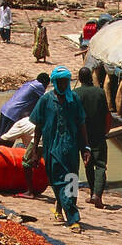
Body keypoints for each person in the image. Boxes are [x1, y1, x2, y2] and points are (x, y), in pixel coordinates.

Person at [27, 65, 90, 231]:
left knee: (71, 180)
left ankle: (73, 219)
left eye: (66, 82)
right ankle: (59, 207)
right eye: (60, 82)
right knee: (56, 181)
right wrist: (34, 150)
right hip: (51, 148)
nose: (63, 86)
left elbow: (82, 123)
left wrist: (86, 147)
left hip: (70, 148)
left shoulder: (74, 99)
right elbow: (38, 126)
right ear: (54, 82)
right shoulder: (46, 100)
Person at [75, 66, 109, 209]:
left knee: (87, 163)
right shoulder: (100, 92)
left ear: (80, 79)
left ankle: (92, 194)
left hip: (83, 136)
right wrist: (106, 131)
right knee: (100, 165)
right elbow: (107, 115)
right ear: (90, 78)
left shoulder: (75, 93)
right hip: (98, 133)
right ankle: (97, 195)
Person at [0, 71, 49, 139]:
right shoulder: (39, 86)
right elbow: (46, 100)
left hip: (5, 109)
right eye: (46, 85)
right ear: (45, 83)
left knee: (1, 136)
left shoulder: (29, 83)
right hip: (14, 112)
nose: (45, 87)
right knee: (6, 139)